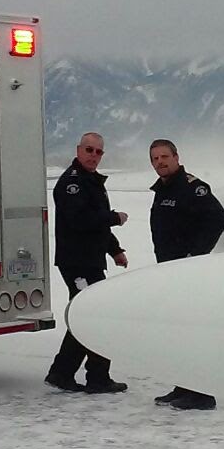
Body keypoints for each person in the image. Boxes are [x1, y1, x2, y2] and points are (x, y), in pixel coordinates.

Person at [146, 138, 224, 410]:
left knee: (192, 333)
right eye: (155, 159)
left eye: (164, 157)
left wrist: (196, 254)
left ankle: (202, 393)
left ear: (176, 157)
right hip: (170, 270)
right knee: (177, 332)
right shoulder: (163, 190)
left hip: (189, 272)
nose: (160, 162)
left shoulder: (193, 188)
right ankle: (184, 386)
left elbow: (218, 218)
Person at [45, 132, 129, 394]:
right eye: (89, 150)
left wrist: (115, 250)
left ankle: (78, 374)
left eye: (99, 152)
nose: (94, 156)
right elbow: (80, 220)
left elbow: (97, 226)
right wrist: (114, 217)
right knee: (93, 315)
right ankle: (86, 375)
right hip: (77, 263)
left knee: (94, 315)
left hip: (91, 260)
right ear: (78, 150)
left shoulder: (90, 181)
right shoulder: (72, 184)